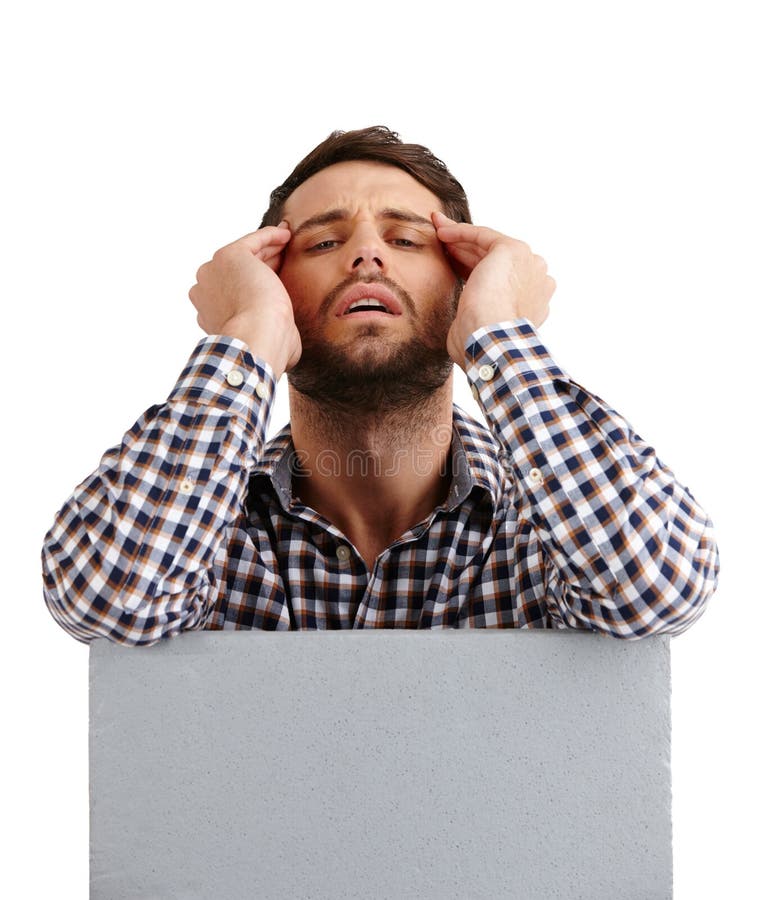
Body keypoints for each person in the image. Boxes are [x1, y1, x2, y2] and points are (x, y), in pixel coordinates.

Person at [42, 126, 719, 644]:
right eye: (323, 244)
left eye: (407, 240)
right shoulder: (200, 528)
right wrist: (247, 336)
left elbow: (654, 591)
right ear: (275, 287)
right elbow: (106, 599)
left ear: (461, 284)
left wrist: (498, 336)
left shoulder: (546, 528)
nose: (367, 253)